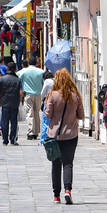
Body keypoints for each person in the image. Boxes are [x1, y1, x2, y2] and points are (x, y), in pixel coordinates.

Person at [44, 69, 83, 204]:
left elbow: (47, 114)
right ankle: (68, 190)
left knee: (56, 164)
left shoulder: (53, 95)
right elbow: (81, 115)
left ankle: (56, 195)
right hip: (71, 135)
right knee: (68, 163)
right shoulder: (75, 95)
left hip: (55, 135)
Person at [17, 57, 47, 141]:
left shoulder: (23, 71)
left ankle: (30, 132)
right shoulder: (41, 72)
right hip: (38, 94)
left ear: (29, 63)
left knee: (29, 113)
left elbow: (17, 76)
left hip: (28, 94)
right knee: (36, 112)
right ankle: (36, 132)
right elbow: (43, 83)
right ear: (36, 63)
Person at [0, 62, 22, 145]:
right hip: (14, 103)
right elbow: (21, 92)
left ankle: (5, 140)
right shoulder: (18, 79)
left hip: (4, 103)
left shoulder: (2, 79)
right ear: (15, 69)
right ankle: (13, 139)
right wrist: (19, 100)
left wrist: (3, 96)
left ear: (7, 69)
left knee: (4, 122)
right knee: (14, 122)